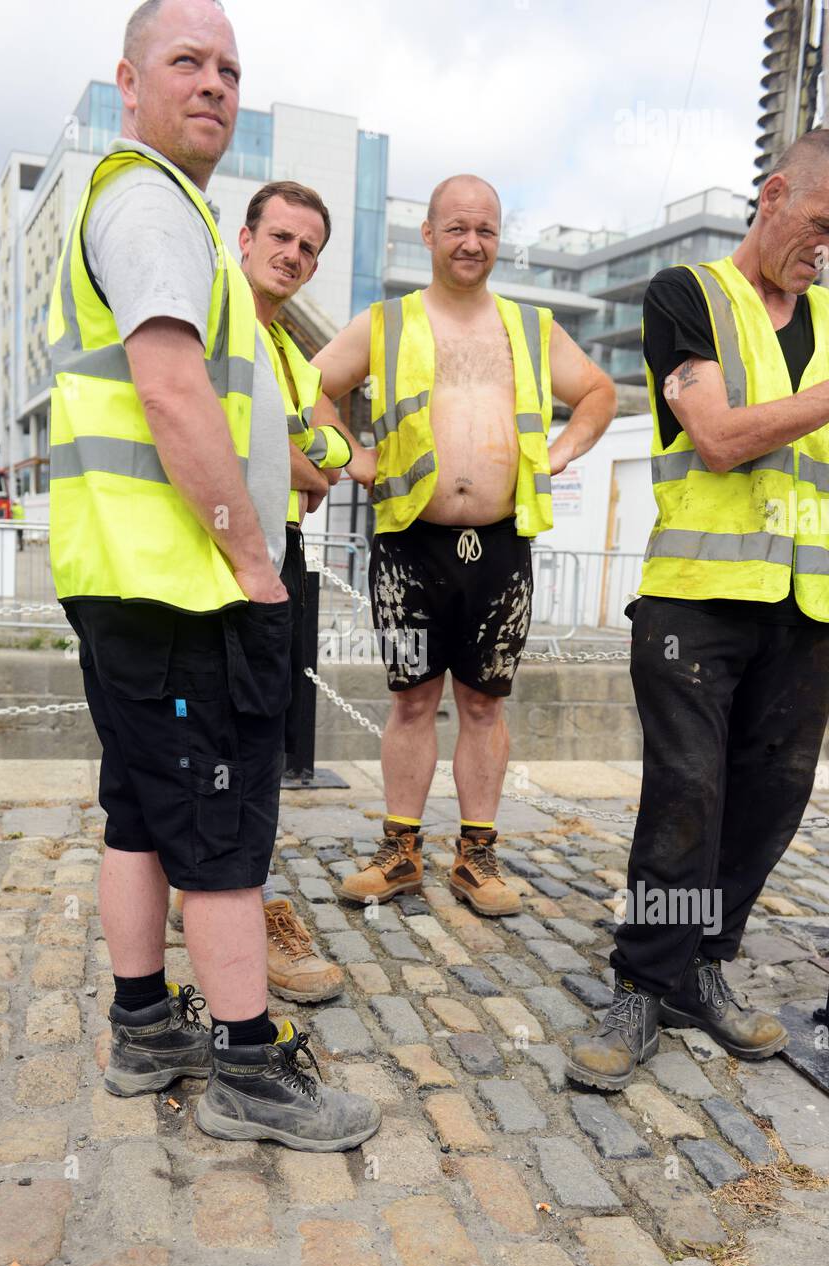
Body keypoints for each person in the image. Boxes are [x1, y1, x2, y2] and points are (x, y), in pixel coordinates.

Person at [49, 0, 380, 1151]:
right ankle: (250, 1064)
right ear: (130, 85)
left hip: (131, 577)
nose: (214, 85)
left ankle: (146, 1025)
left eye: (231, 69)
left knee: (140, 810)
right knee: (226, 825)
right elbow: (171, 392)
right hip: (187, 586)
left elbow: (231, 409)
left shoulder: (163, 209)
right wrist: (252, 557)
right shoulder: (150, 203)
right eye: (186, 62)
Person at [567, 130, 829, 1091]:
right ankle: (647, 977)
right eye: (820, 224)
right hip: (696, 602)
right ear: (774, 193)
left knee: (771, 800)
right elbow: (716, 438)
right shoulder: (689, 298)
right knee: (688, 795)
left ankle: (703, 971)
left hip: (807, 610)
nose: (825, 250)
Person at [313, 175, 617, 916]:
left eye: (484, 229)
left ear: (498, 238)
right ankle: (401, 852)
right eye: (456, 228)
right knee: (411, 701)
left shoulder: (530, 328)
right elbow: (309, 387)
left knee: (484, 705)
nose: (471, 242)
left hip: (502, 546)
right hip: (410, 543)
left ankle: (476, 857)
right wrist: (350, 456)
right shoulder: (385, 323)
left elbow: (599, 392)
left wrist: (563, 449)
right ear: (428, 233)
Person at [170, 179, 352, 1002]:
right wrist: (311, 464)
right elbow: (253, 450)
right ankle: (231, 910)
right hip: (220, 558)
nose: (293, 255)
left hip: (275, 553)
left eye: (308, 247)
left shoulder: (291, 356)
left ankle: (214, 895)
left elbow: (339, 459)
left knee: (257, 745)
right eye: (280, 237)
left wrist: (312, 463)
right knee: (226, 751)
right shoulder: (218, 324)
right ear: (243, 240)